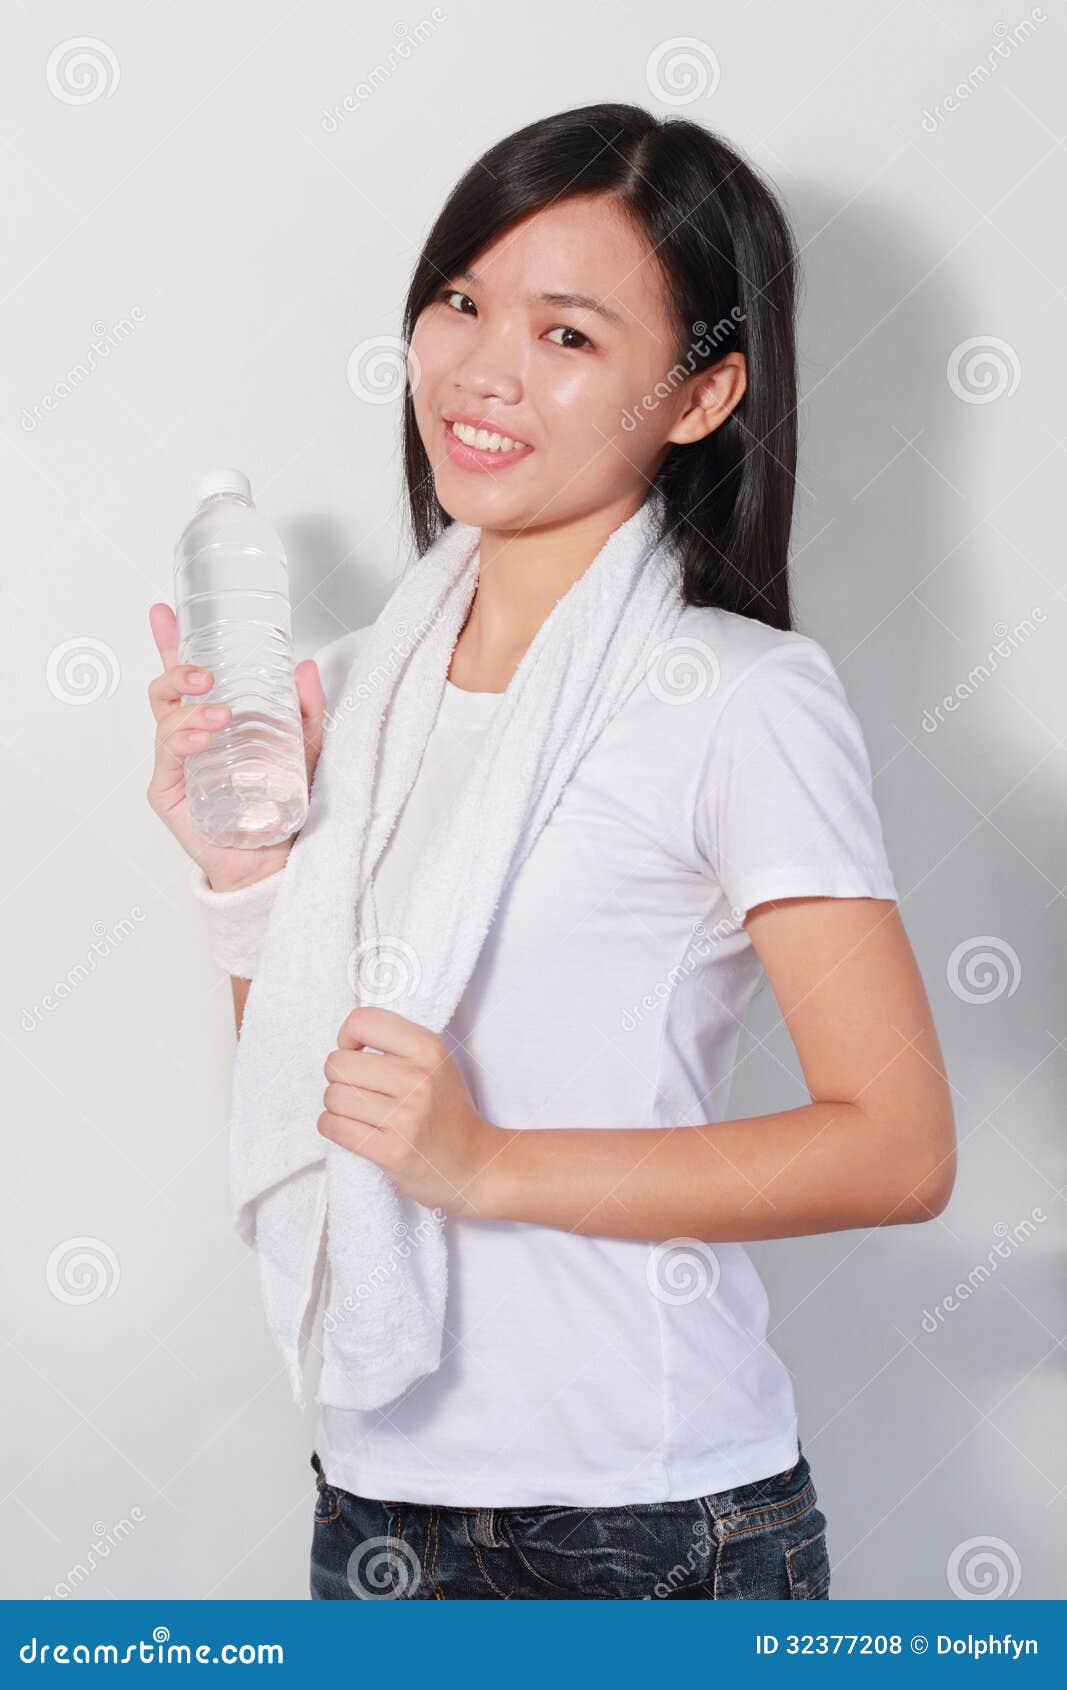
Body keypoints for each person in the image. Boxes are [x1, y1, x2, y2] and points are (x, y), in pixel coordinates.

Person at [147, 103, 956, 1600]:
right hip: (377, 1498)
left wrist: (492, 1165)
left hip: (645, 1518)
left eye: (568, 333)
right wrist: (246, 879)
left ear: (702, 394)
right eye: (461, 302)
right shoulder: (358, 692)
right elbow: (310, 1096)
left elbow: (899, 1148)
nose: (482, 369)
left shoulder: (740, 699)